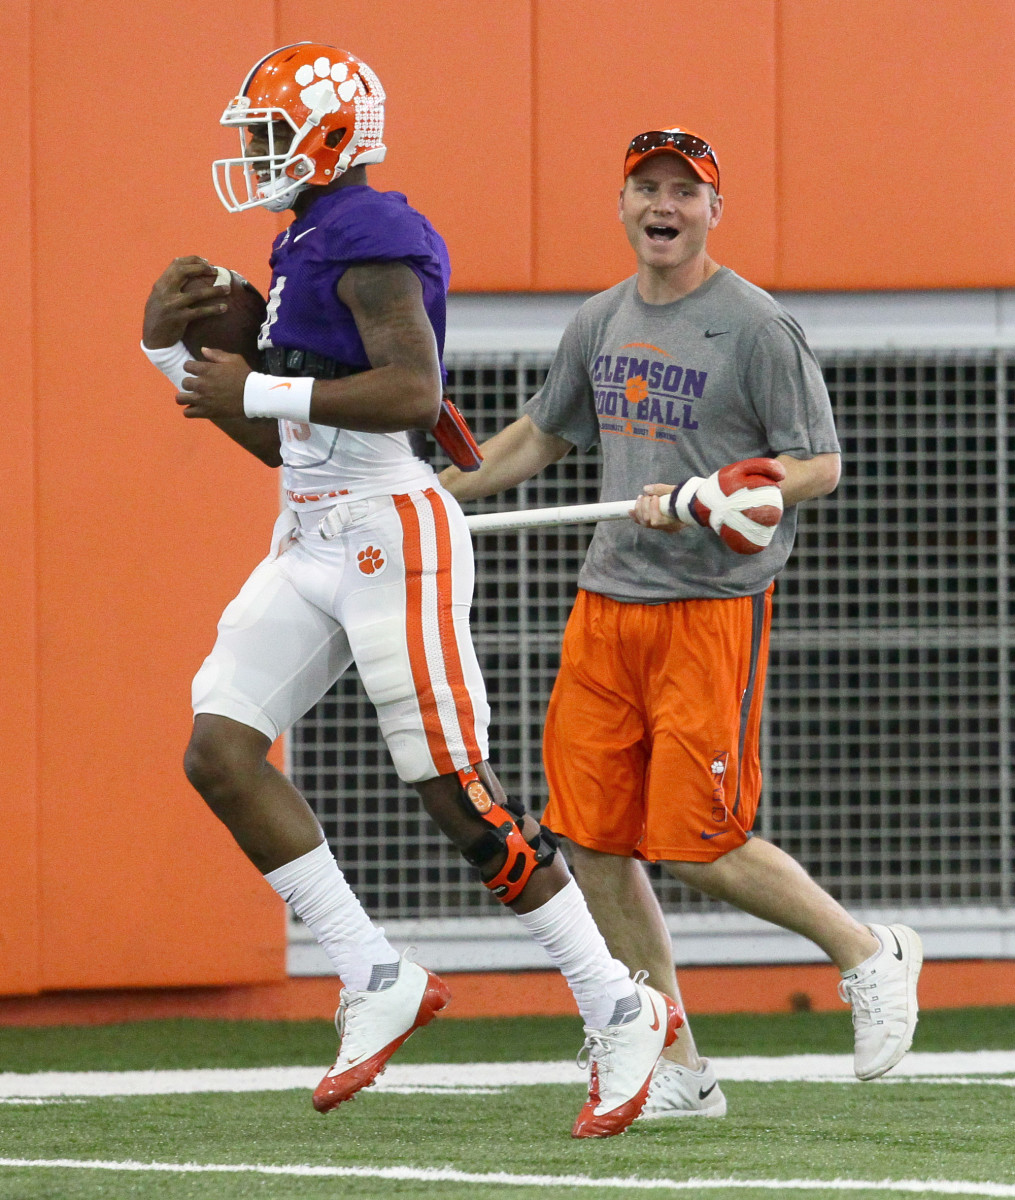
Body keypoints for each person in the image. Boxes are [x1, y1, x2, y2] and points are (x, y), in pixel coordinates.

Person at [139, 43, 682, 1139]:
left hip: (393, 528)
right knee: (219, 749)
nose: (250, 152)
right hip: (314, 527)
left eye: (265, 131)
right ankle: (371, 969)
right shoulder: (300, 236)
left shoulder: (368, 227)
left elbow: (410, 390)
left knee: (449, 789)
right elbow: (286, 445)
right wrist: (168, 359)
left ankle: (618, 1001)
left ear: (329, 134)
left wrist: (262, 378)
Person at [441, 125, 923, 1119]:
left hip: (708, 613)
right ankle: (678, 1065)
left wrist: (719, 491)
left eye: (683, 192)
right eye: (645, 189)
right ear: (621, 205)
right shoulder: (599, 320)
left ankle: (868, 953)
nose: (663, 206)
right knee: (594, 840)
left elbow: (817, 466)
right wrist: (431, 494)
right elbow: (539, 433)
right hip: (605, 605)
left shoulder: (753, 325)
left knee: (701, 842)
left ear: (713, 208)